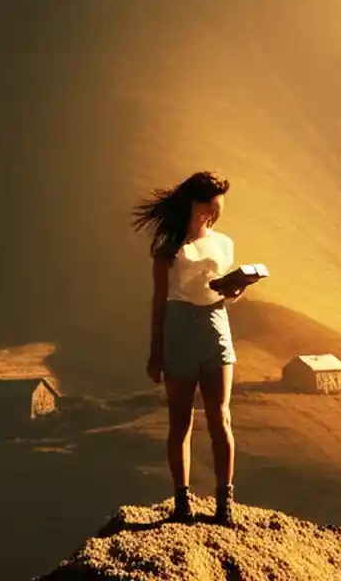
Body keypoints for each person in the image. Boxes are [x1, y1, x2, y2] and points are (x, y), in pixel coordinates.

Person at [130, 170, 246, 526]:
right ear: (193, 204)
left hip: (216, 330)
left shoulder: (224, 243)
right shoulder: (169, 249)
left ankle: (224, 504)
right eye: (209, 208)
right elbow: (158, 302)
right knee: (179, 421)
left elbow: (221, 293)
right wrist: (155, 353)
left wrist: (236, 291)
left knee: (220, 417)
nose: (213, 215)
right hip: (179, 332)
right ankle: (182, 503)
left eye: (218, 209)